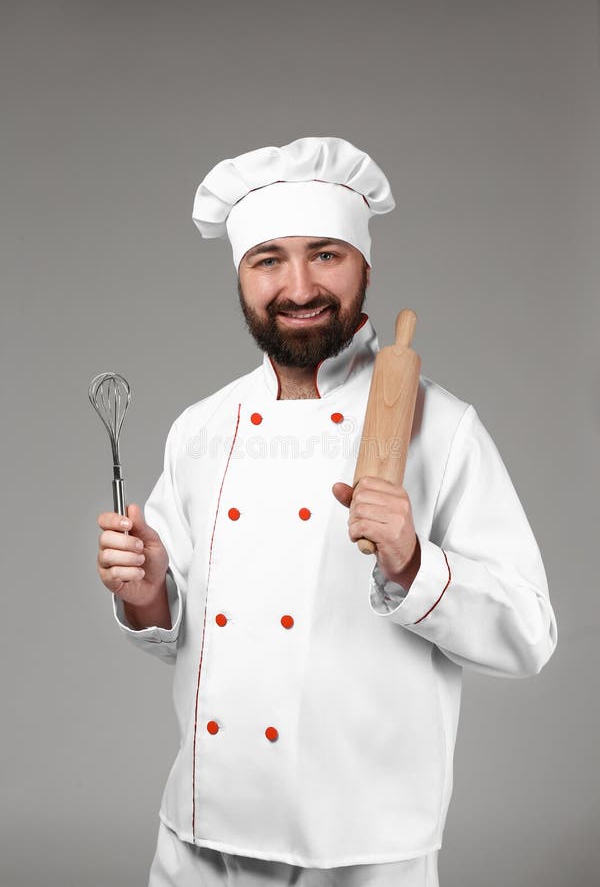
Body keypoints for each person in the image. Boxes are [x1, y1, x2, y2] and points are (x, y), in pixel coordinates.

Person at [96, 137, 558, 886]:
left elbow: (531, 634)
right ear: (242, 279)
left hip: (366, 848)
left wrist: (414, 564)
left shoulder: (441, 427)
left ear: (365, 266)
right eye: (269, 259)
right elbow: (179, 635)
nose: (299, 285)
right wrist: (147, 592)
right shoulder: (202, 427)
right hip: (197, 839)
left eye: (326, 254)